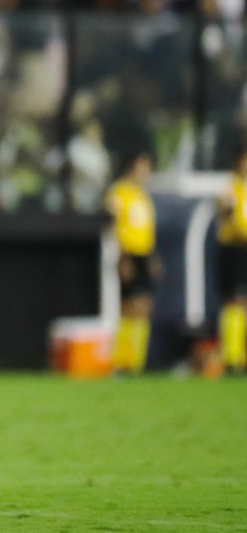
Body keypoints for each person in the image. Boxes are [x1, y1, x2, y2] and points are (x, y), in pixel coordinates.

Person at [105, 152, 159, 375]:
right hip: (127, 253)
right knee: (129, 307)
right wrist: (121, 256)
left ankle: (136, 361)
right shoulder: (119, 192)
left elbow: (146, 230)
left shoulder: (143, 195)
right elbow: (113, 226)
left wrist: (153, 257)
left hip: (144, 254)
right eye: (142, 167)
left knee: (145, 307)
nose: (145, 172)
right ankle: (121, 360)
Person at [216, 149, 247, 374]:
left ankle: (241, 356)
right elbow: (224, 215)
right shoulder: (231, 189)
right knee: (235, 301)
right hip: (234, 248)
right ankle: (231, 358)